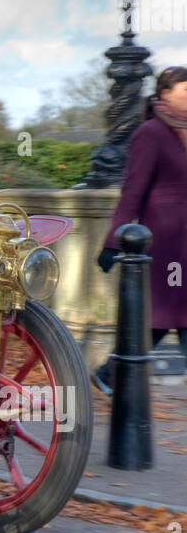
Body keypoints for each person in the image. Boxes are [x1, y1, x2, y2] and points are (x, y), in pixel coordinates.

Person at [94, 65, 187, 391]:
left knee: (166, 321)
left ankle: (107, 373)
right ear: (164, 93)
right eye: (185, 90)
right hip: (163, 244)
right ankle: (108, 374)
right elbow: (133, 189)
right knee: (165, 318)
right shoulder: (150, 132)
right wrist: (112, 241)